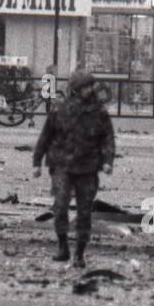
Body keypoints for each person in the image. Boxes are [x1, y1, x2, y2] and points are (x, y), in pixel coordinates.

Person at [31, 71, 116, 268]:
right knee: (60, 206)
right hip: (61, 165)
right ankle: (62, 247)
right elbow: (46, 136)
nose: (90, 90)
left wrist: (108, 160)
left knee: (84, 211)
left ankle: (79, 253)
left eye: (91, 87)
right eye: (85, 87)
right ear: (76, 90)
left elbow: (107, 138)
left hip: (87, 167)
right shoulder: (59, 109)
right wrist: (37, 161)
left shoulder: (98, 112)